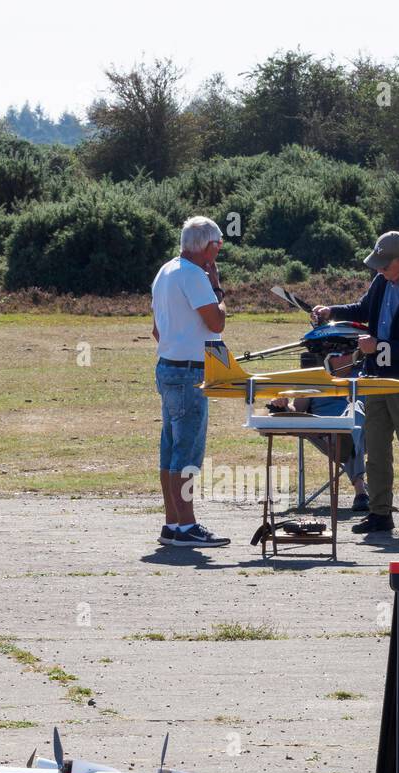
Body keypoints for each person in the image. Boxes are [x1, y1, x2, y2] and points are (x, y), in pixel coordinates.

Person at [312, 231, 399, 535]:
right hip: (375, 382)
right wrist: (332, 311)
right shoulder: (383, 281)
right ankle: (379, 513)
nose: (379, 270)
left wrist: (379, 346)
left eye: (385, 265)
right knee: (377, 452)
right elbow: (363, 308)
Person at [150, 216, 231, 548]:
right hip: (190, 372)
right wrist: (218, 289)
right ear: (208, 247)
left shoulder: (165, 270)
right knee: (188, 452)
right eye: (219, 245)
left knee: (170, 449)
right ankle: (187, 526)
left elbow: (156, 329)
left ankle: (172, 523)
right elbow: (216, 322)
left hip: (167, 365)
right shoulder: (197, 275)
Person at [267, 351, 369, 510]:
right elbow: (296, 410)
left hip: (367, 435)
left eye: (347, 352)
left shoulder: (367, 376)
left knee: (354, 411)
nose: (342, 357)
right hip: (325, 437)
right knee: (346, 433)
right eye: (336, 353)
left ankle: (345, 442)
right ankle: (360, 490)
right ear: (327, 357)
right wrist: (281, 404)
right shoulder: (314, 380)